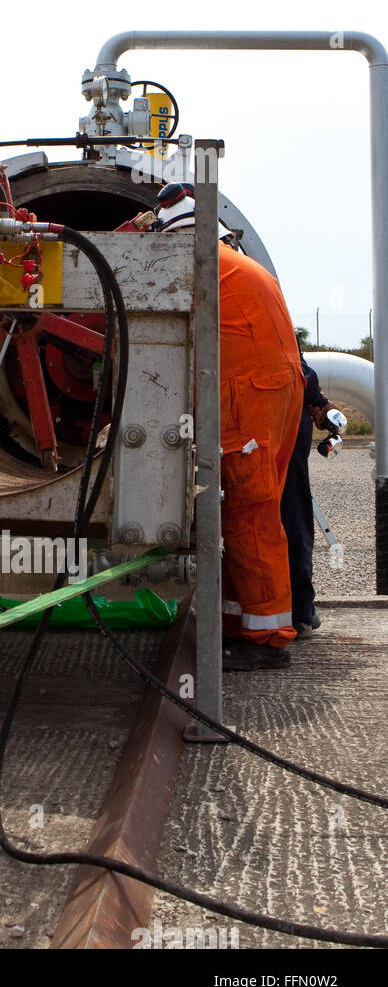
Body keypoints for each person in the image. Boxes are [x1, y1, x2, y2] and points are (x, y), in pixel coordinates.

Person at [154, 184, 304, 670]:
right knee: (250, 508)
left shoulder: (198, 262)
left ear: (175, 235)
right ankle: (242, 624)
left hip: (246, 394)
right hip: (271, 389)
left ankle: (269, 639)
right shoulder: (236, 264)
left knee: (247, 512)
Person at [280, 350, 332, 640]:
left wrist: (314, 398)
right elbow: (296, 367)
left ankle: (296, 610)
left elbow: (293, 366)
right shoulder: (267, 306)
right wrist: (317, 399)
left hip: (270, 410)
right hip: (285, 407)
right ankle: (299, 609)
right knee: (292, 509)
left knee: (285, 509)